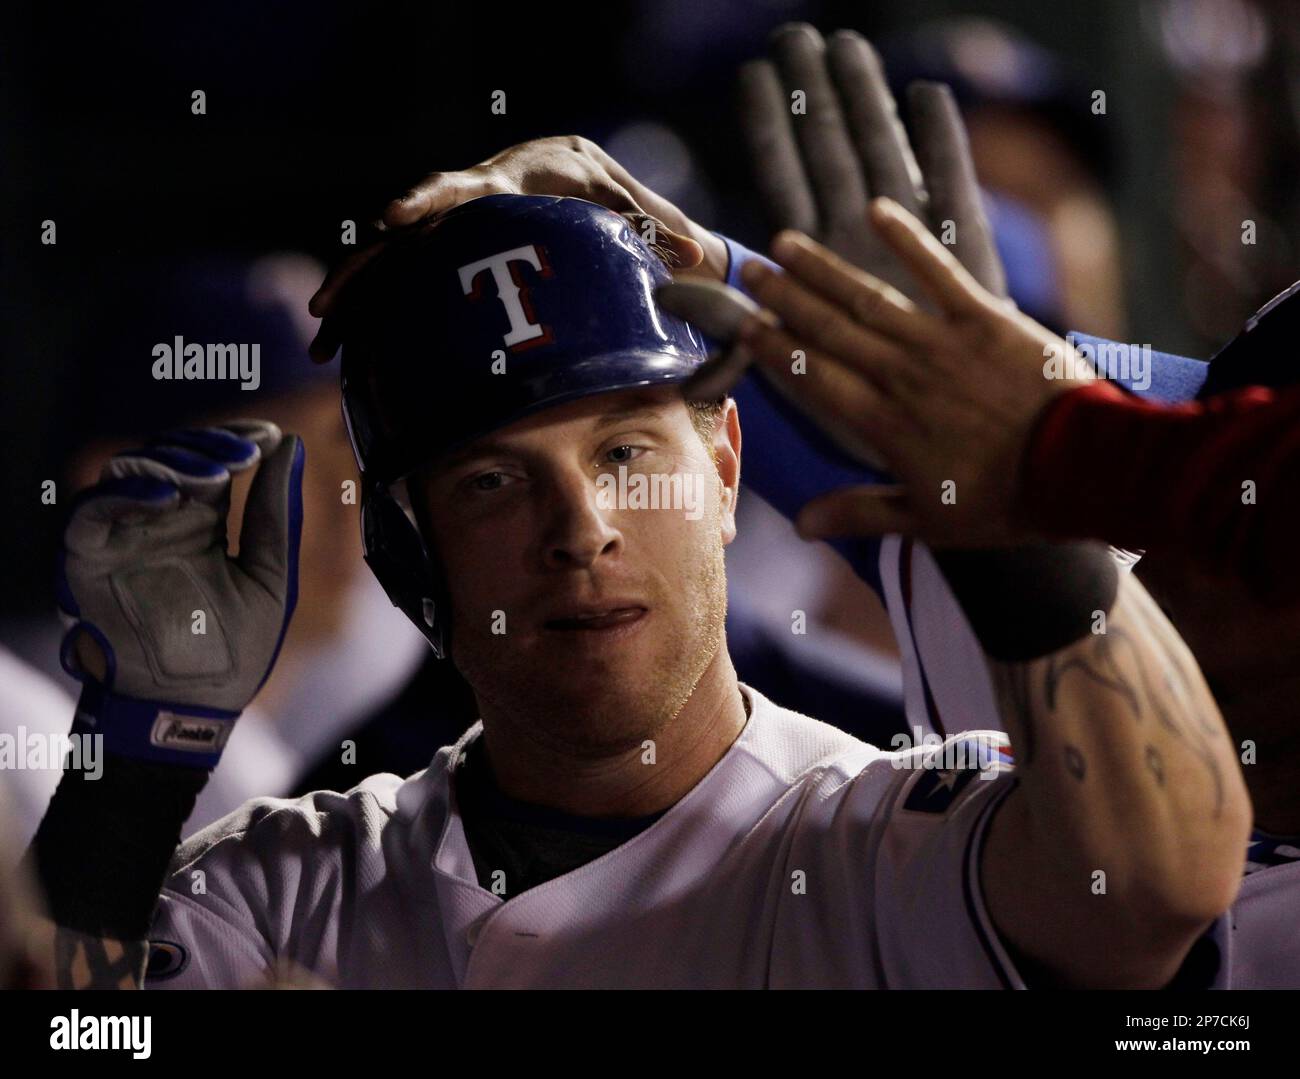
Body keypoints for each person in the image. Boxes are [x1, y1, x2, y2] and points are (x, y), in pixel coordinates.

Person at [26, 185, 1247, 990]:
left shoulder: (891, 841)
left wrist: (1016, 492)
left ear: (722, 468)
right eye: (495, 482)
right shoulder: (287, 882)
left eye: (624, 453)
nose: (583, 530)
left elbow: (1155, 885)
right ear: (413, 550)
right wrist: (133, 768)